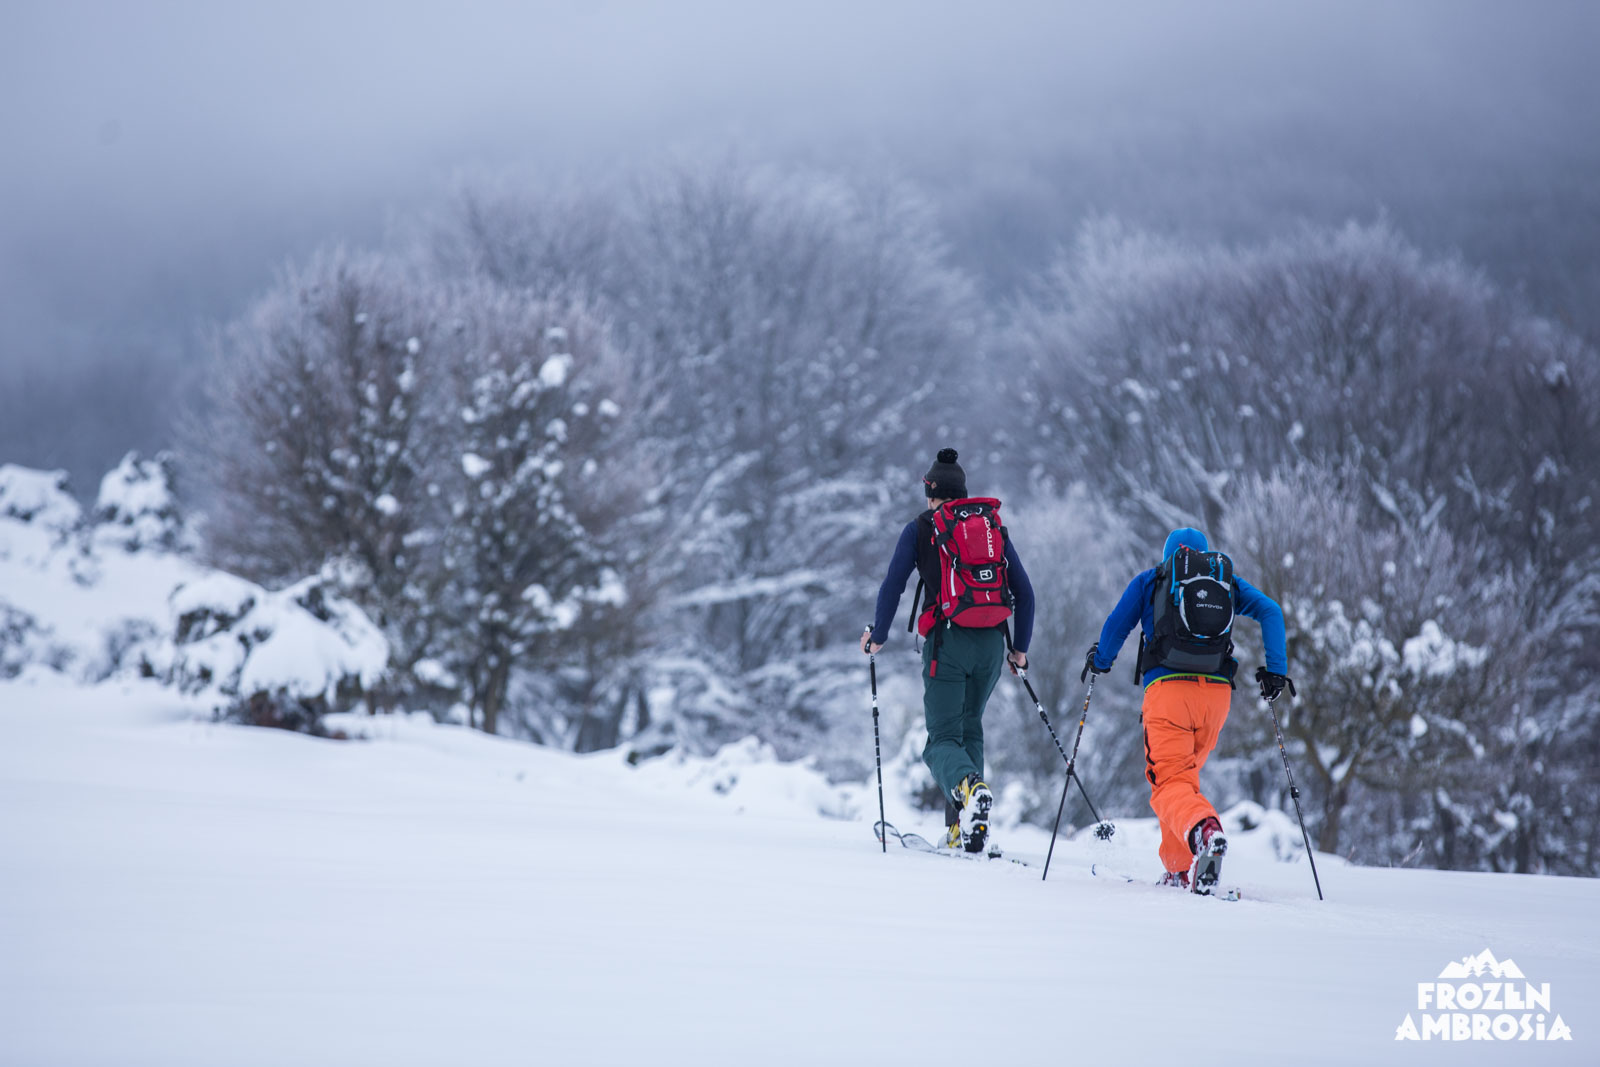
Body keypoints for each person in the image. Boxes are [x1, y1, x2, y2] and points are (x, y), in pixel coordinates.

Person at [1082, 527, 1292, 892]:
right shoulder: (1226, 583)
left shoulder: (1152, 580)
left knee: (1168, 782)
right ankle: (1180, 869)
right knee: (1182, 778)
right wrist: (1275, 672)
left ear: (1169, 557)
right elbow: (1271, 612)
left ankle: (1204, 832)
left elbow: (1117, 624)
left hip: (1168, 693)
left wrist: (1100, 660)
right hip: (1216, 697)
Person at [860, 448, 1035, 853]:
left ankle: (969, 790)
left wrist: (878, 634)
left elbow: (893, 585)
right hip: (993, 642)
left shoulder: (921, 528)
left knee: (940, 740)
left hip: (947, 641)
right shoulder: (991, 528)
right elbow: (1025, 593)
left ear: (931, 492)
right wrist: (1020, 649)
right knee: (969, 729)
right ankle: (966, 828)